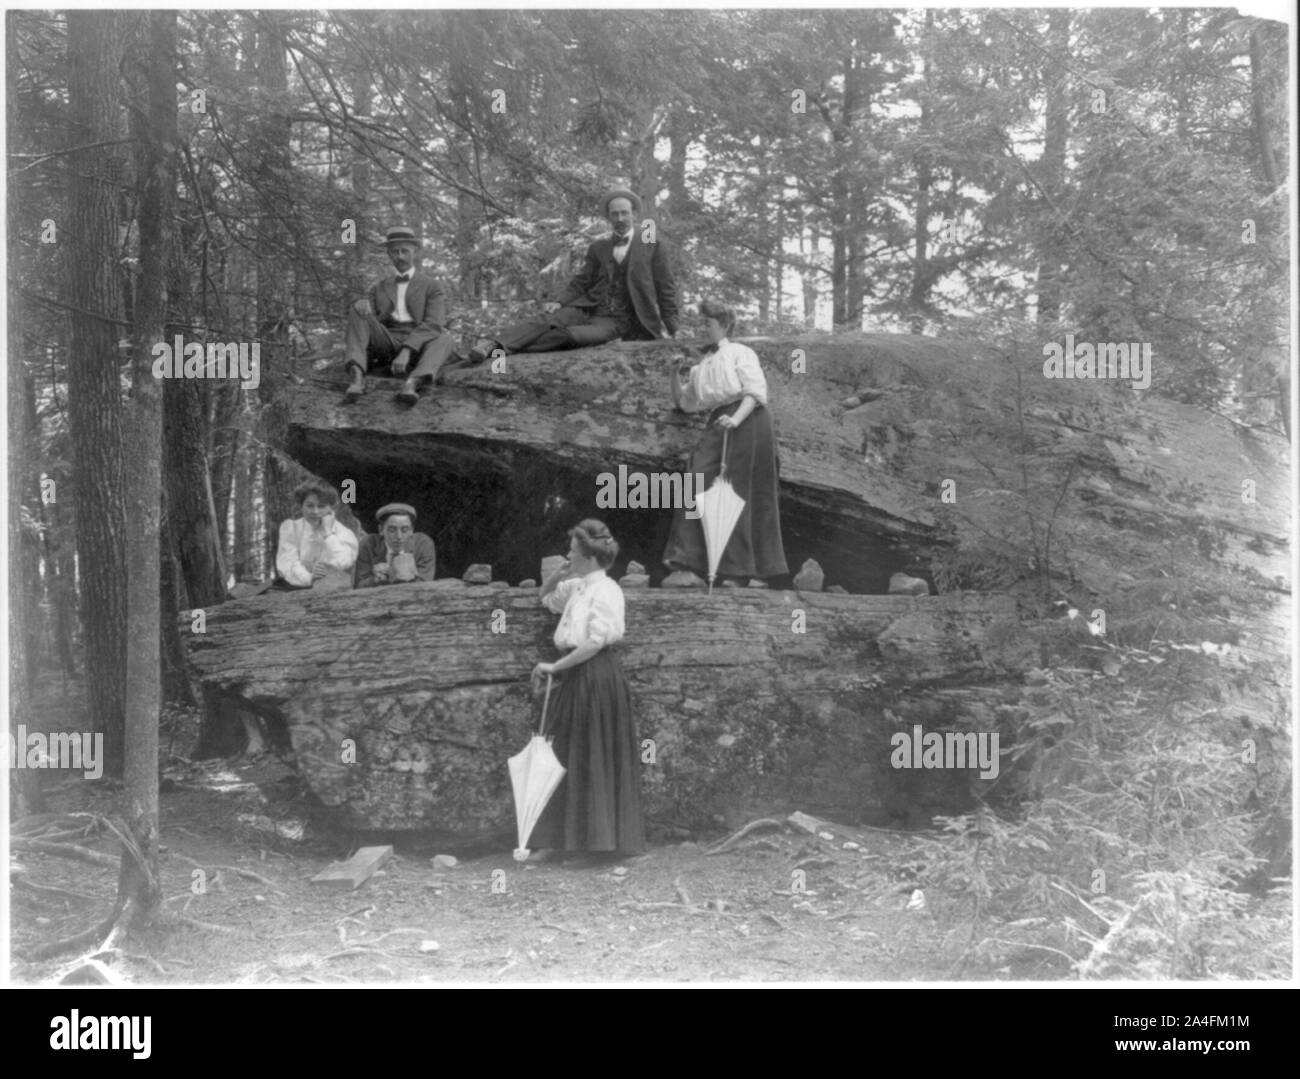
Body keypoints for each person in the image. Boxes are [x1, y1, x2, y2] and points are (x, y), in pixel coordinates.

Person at [528, 519, 645, 866]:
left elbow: (595, 641)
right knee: (563, 751)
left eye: (573, 551)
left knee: (589, 754)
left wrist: (553, 668)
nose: (568, 554)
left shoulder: (607, 591)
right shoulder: (577, 586)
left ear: (590, 556)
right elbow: (546, 598)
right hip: (575, 674)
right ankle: (559, 841)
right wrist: (561, 572)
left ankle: (593, 847)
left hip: (595, 675)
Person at [459, 188, 678, 362]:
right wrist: (559, 301)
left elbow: (665, 285)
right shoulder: (599, 246)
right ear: (608, 217)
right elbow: (582, 281)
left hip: (617, 321)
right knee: (549, 320)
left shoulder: (651, 243)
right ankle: (493, 346)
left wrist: (672, 327)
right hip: (588, 306)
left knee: (569, 335)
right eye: (615, 214)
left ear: (634, 214)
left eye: (625, 213)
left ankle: (508, 348)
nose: (620, 218)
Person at [661, 300, 789, 588]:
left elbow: (755, 391)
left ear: (724, 325)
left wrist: (736, 419)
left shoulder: (740, 352)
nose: (702, 328)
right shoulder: (700, 367)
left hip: (750, 419)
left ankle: (742, 572)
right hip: (718, 421)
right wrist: (674, 374)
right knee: (695, 481)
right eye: (701, 322)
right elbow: (684, 403)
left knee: (742, 489)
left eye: (707, 323)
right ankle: (687, 566)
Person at [343, 227, 458, 406]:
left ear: (415, 253)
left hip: (419, 344)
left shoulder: (432, 286)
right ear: (389, 254)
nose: (400, 256)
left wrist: (406, 351)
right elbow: (367, 322)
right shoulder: (379, 287)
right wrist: (361, 304)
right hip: (387, 341)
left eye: (405, 251)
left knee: (445, 337)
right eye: (395, 252)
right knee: (357, 310)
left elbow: (433, 324)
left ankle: (412, 383)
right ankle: (357, 376)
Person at [275, 481, 359, 592]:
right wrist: (310, 579)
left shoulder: (344, 533)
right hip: (295, 588)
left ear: (331, 508)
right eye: (310, 506)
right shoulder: (292, 528)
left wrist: (328, 534)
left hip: (332, 589)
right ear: (301, 506)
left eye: (321, 506)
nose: (315, 511)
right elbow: (288, 562)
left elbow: (344, 561)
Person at [354, 503, 436, 587]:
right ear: (381, 530)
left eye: (404, 530)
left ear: (412, 530)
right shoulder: (368, 545)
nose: (399, 536)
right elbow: (359, 586)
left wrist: (410, 577)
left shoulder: (423, 544)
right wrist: (374, 579)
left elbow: (426, 585)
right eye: (392, 530)